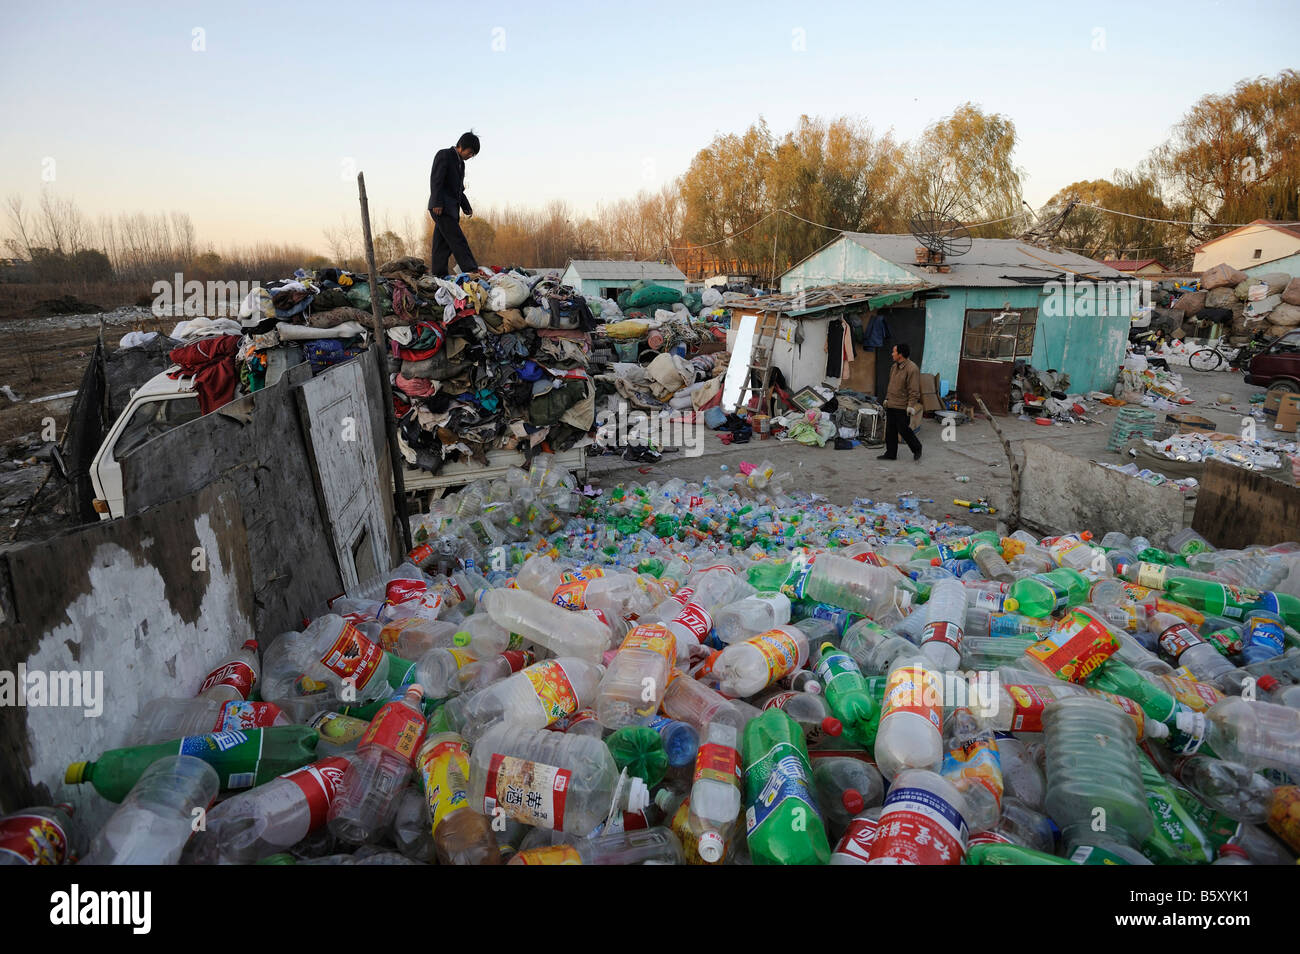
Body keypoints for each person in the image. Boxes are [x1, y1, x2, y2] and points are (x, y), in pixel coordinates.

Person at [428, 132, 480, 275]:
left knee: (442, 245)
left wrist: (466, 206)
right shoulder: (444, 155)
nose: (470, 156)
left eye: (473, 155)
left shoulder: (460, 164)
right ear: (462, 146)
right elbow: (436, 179)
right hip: (441, 207)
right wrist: (437, 202)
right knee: (457, 239)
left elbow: (458, 189)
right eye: (470, 152)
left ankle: (439, 274)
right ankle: (471, 269)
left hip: (451, 209)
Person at [878, 343, 922, 461]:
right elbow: (891, 385)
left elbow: (914, 390)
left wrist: (911, 406)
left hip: (903, 406)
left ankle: (917, 448)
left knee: (904, 430)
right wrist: (887, 398)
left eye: (894, 352)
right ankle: (891, 454)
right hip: (892, 403)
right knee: (890, 430)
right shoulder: (894, 367)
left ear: (900, 355)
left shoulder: (912, 369)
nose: (892, 354)